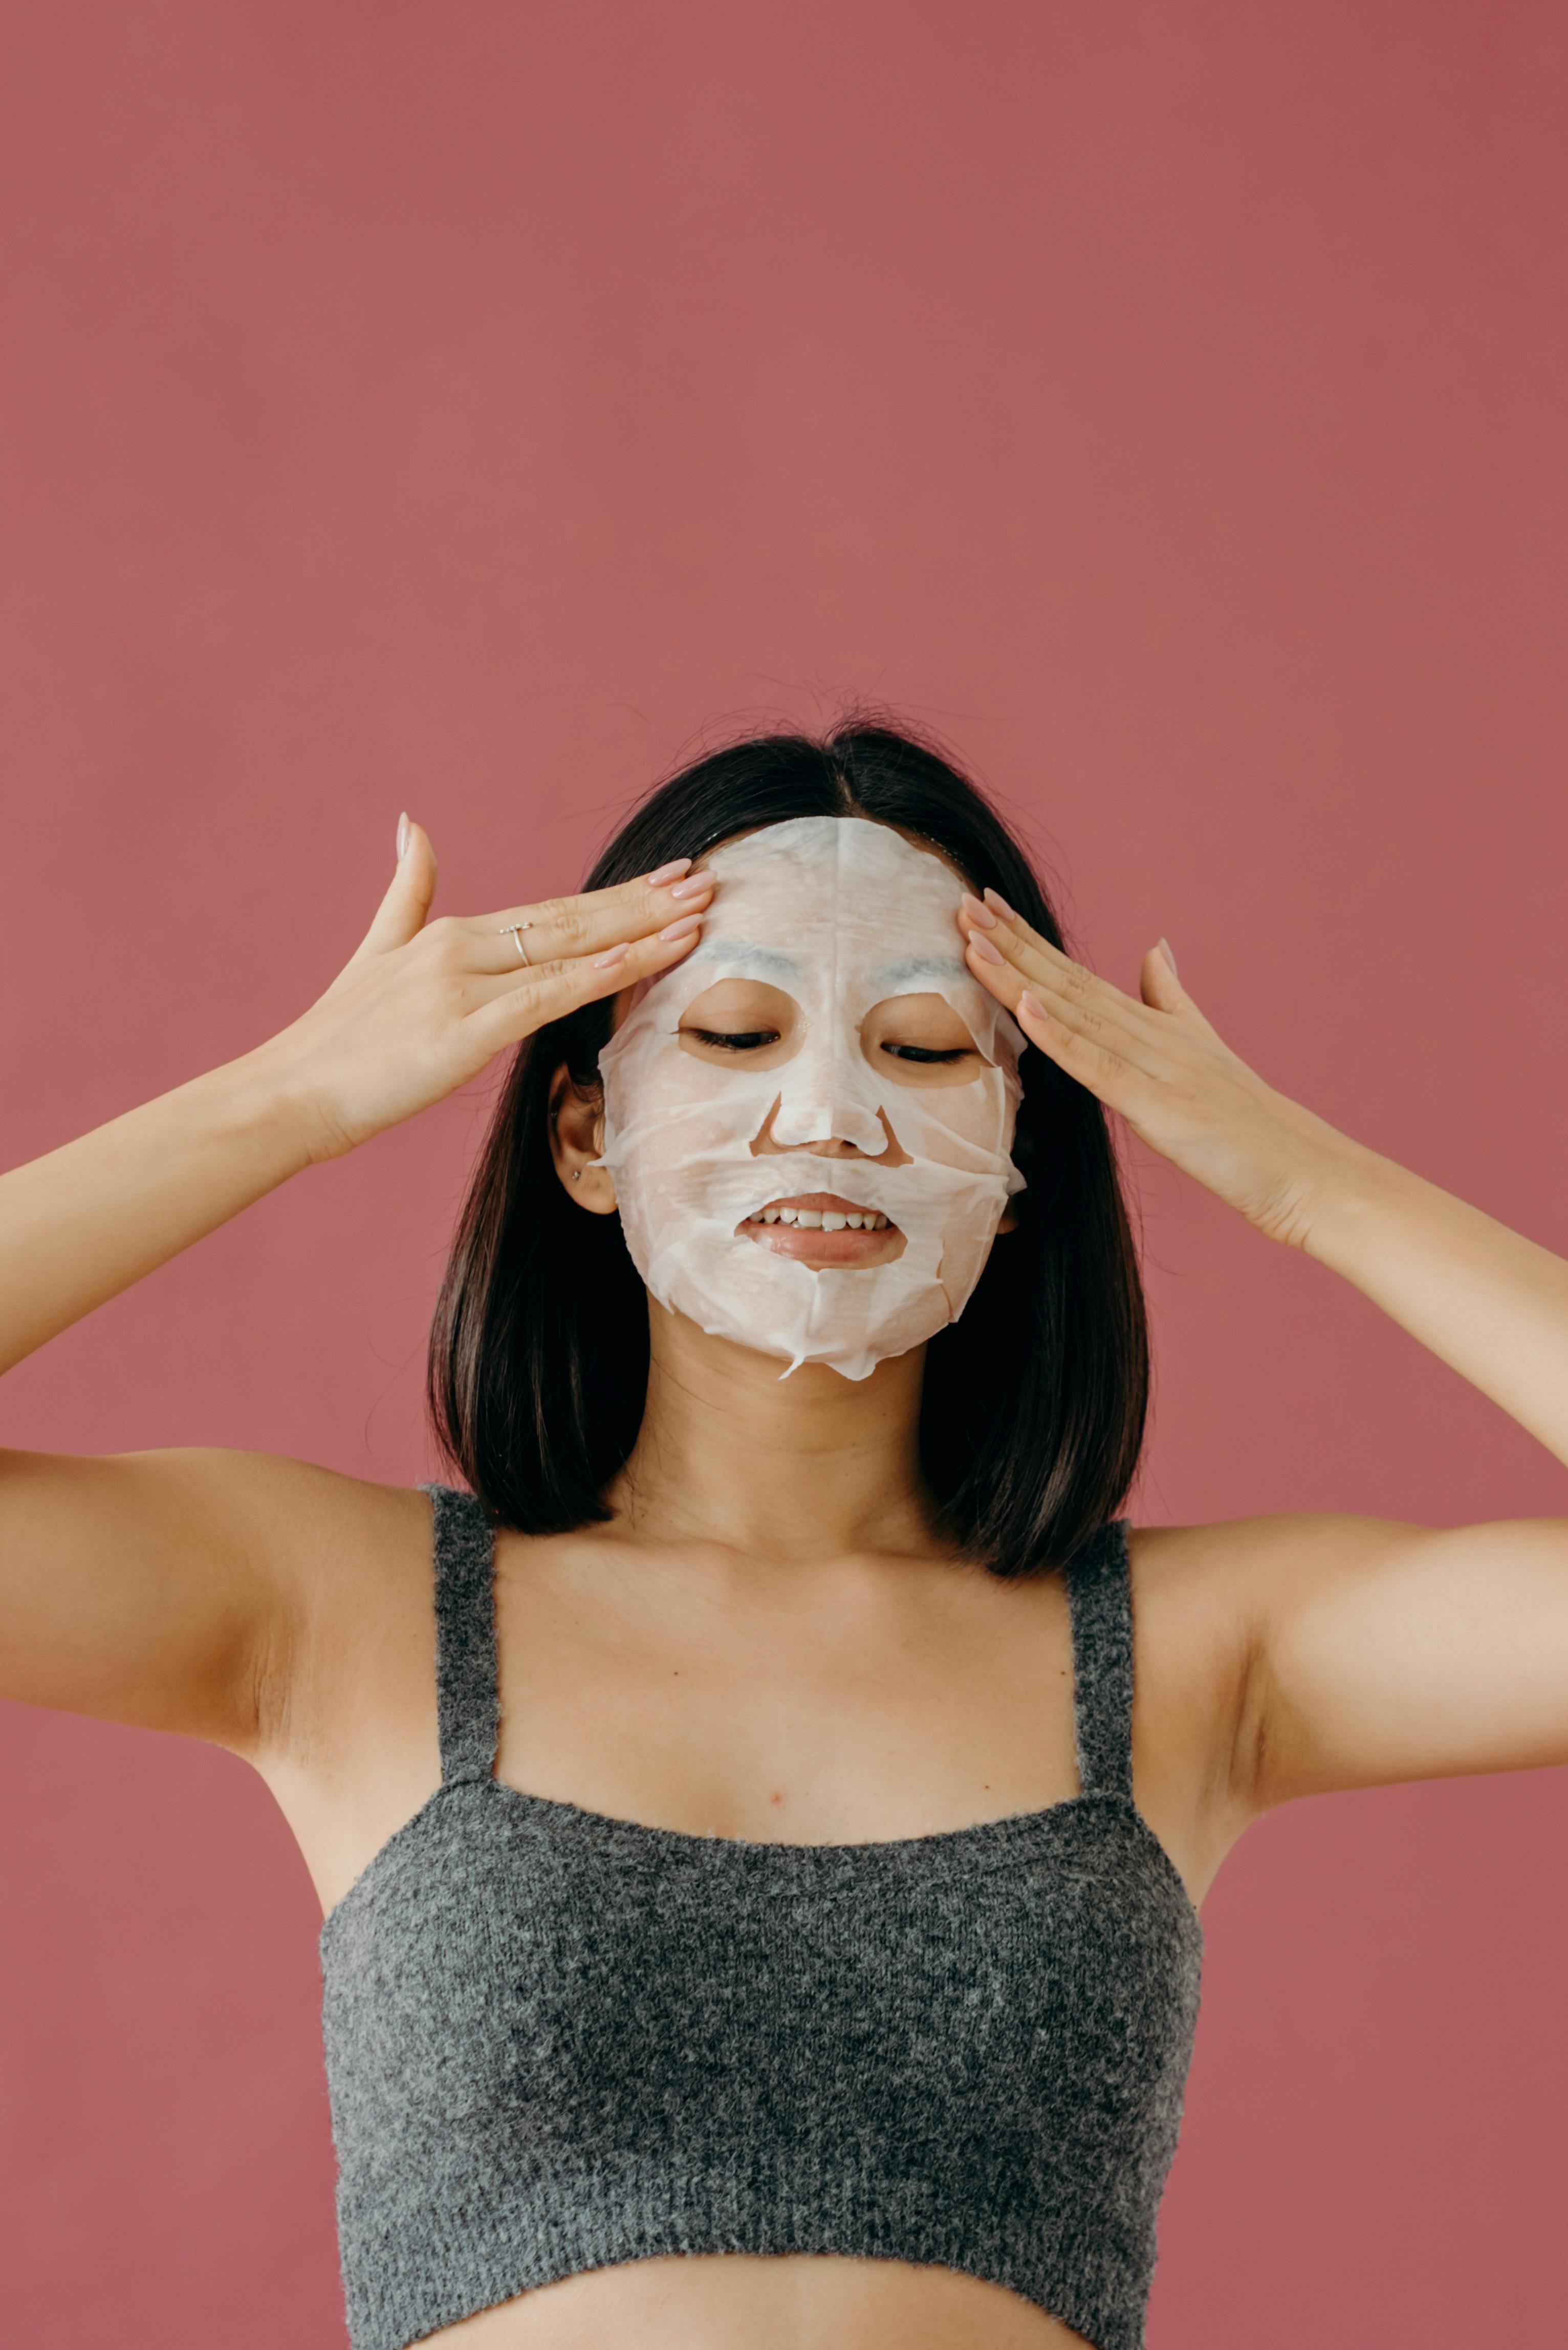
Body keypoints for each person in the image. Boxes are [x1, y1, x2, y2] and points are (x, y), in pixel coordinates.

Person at [4, 720, 1566, 2350]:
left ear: (1020, 1169)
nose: (827, 1115)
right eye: (740, 1032)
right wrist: (294, 1097)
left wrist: (1309, 1184)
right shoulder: (338, 1613)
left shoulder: (1200, 1656)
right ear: (585, 1136)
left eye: (924, 1051)